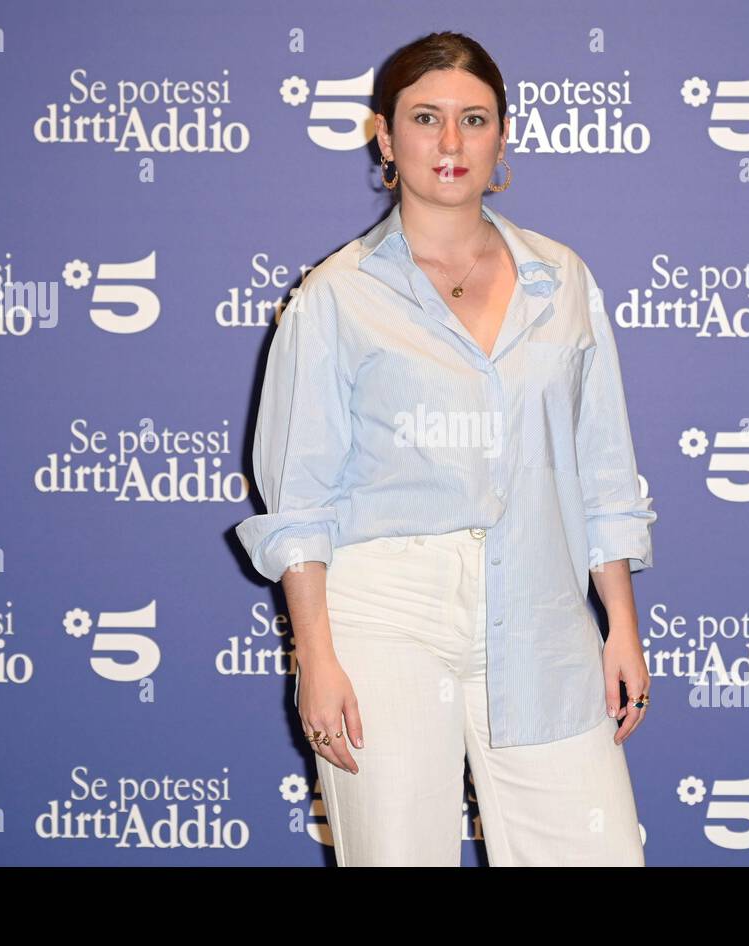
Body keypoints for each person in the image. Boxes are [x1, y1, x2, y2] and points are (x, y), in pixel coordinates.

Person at [235, 31, 656, 866]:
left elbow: (601, 465)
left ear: (503, 136)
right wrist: (316, 657)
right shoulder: (336, 298)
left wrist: (621, 626)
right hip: (385, 612)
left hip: (540, 606)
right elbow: (301, 502)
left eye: (474, 118)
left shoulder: (561, 278)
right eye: (426, 118)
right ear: (386, 138)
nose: (451, 142)